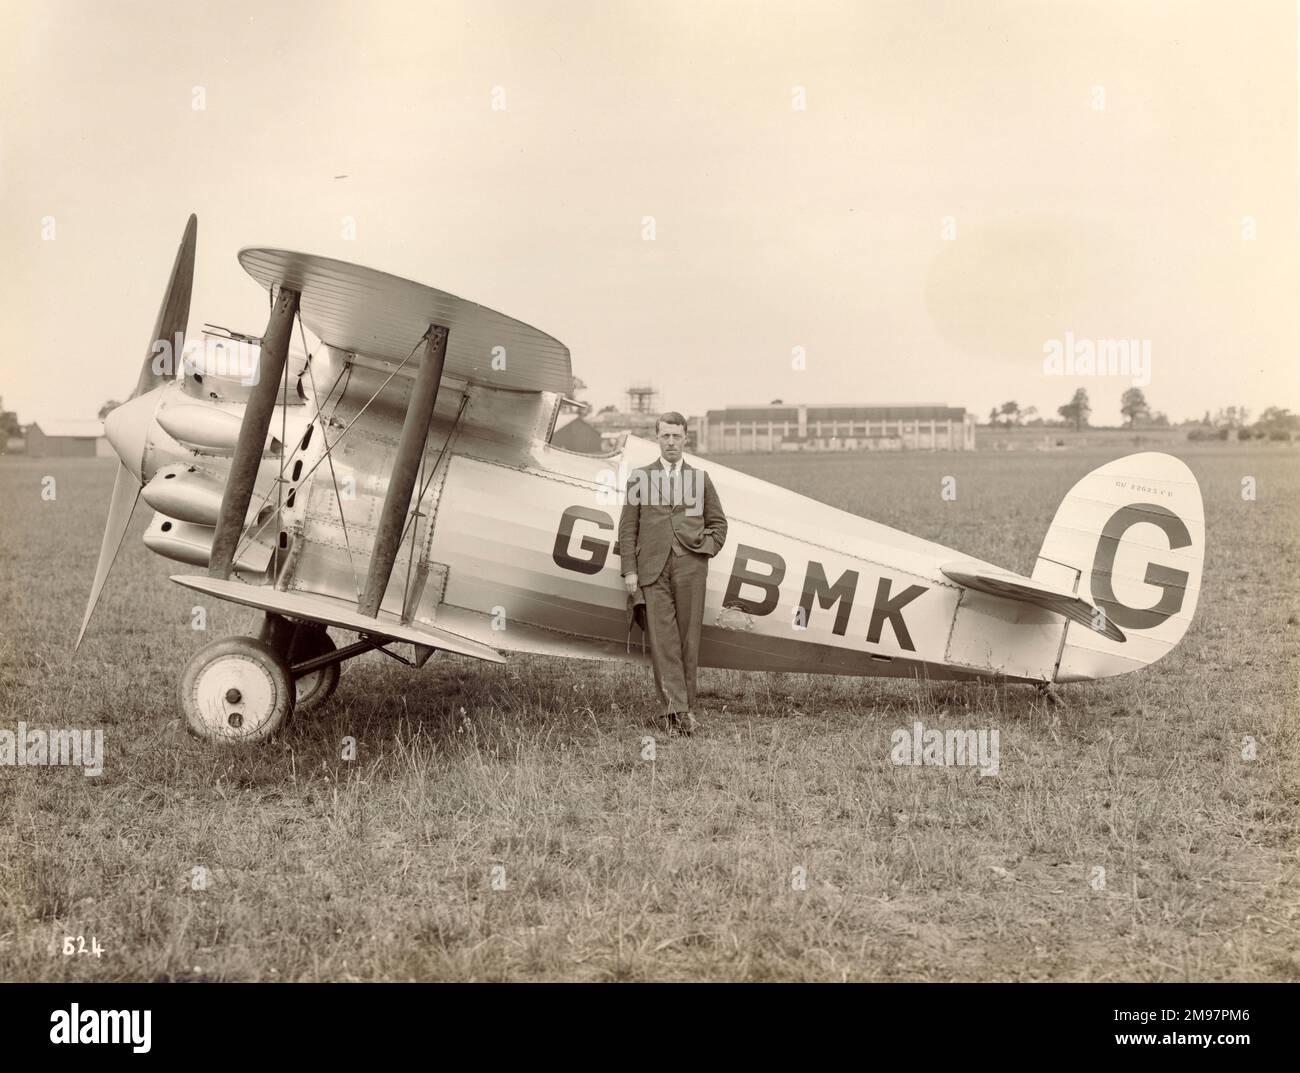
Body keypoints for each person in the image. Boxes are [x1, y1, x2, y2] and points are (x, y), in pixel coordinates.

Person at [618, 412, 728, 735]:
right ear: (657, 438)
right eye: (665, 436)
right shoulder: (640, 478)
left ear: (685, 438)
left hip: (690, 569)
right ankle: (679, 713)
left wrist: (702, 549)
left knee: (688, 642)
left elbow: (719, 525)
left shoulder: (700, 479)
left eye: (676, 436)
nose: (670, 442)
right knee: (663, 642)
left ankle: (681, 711)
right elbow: (628, 529)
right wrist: (629, 570)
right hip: (652, 570)